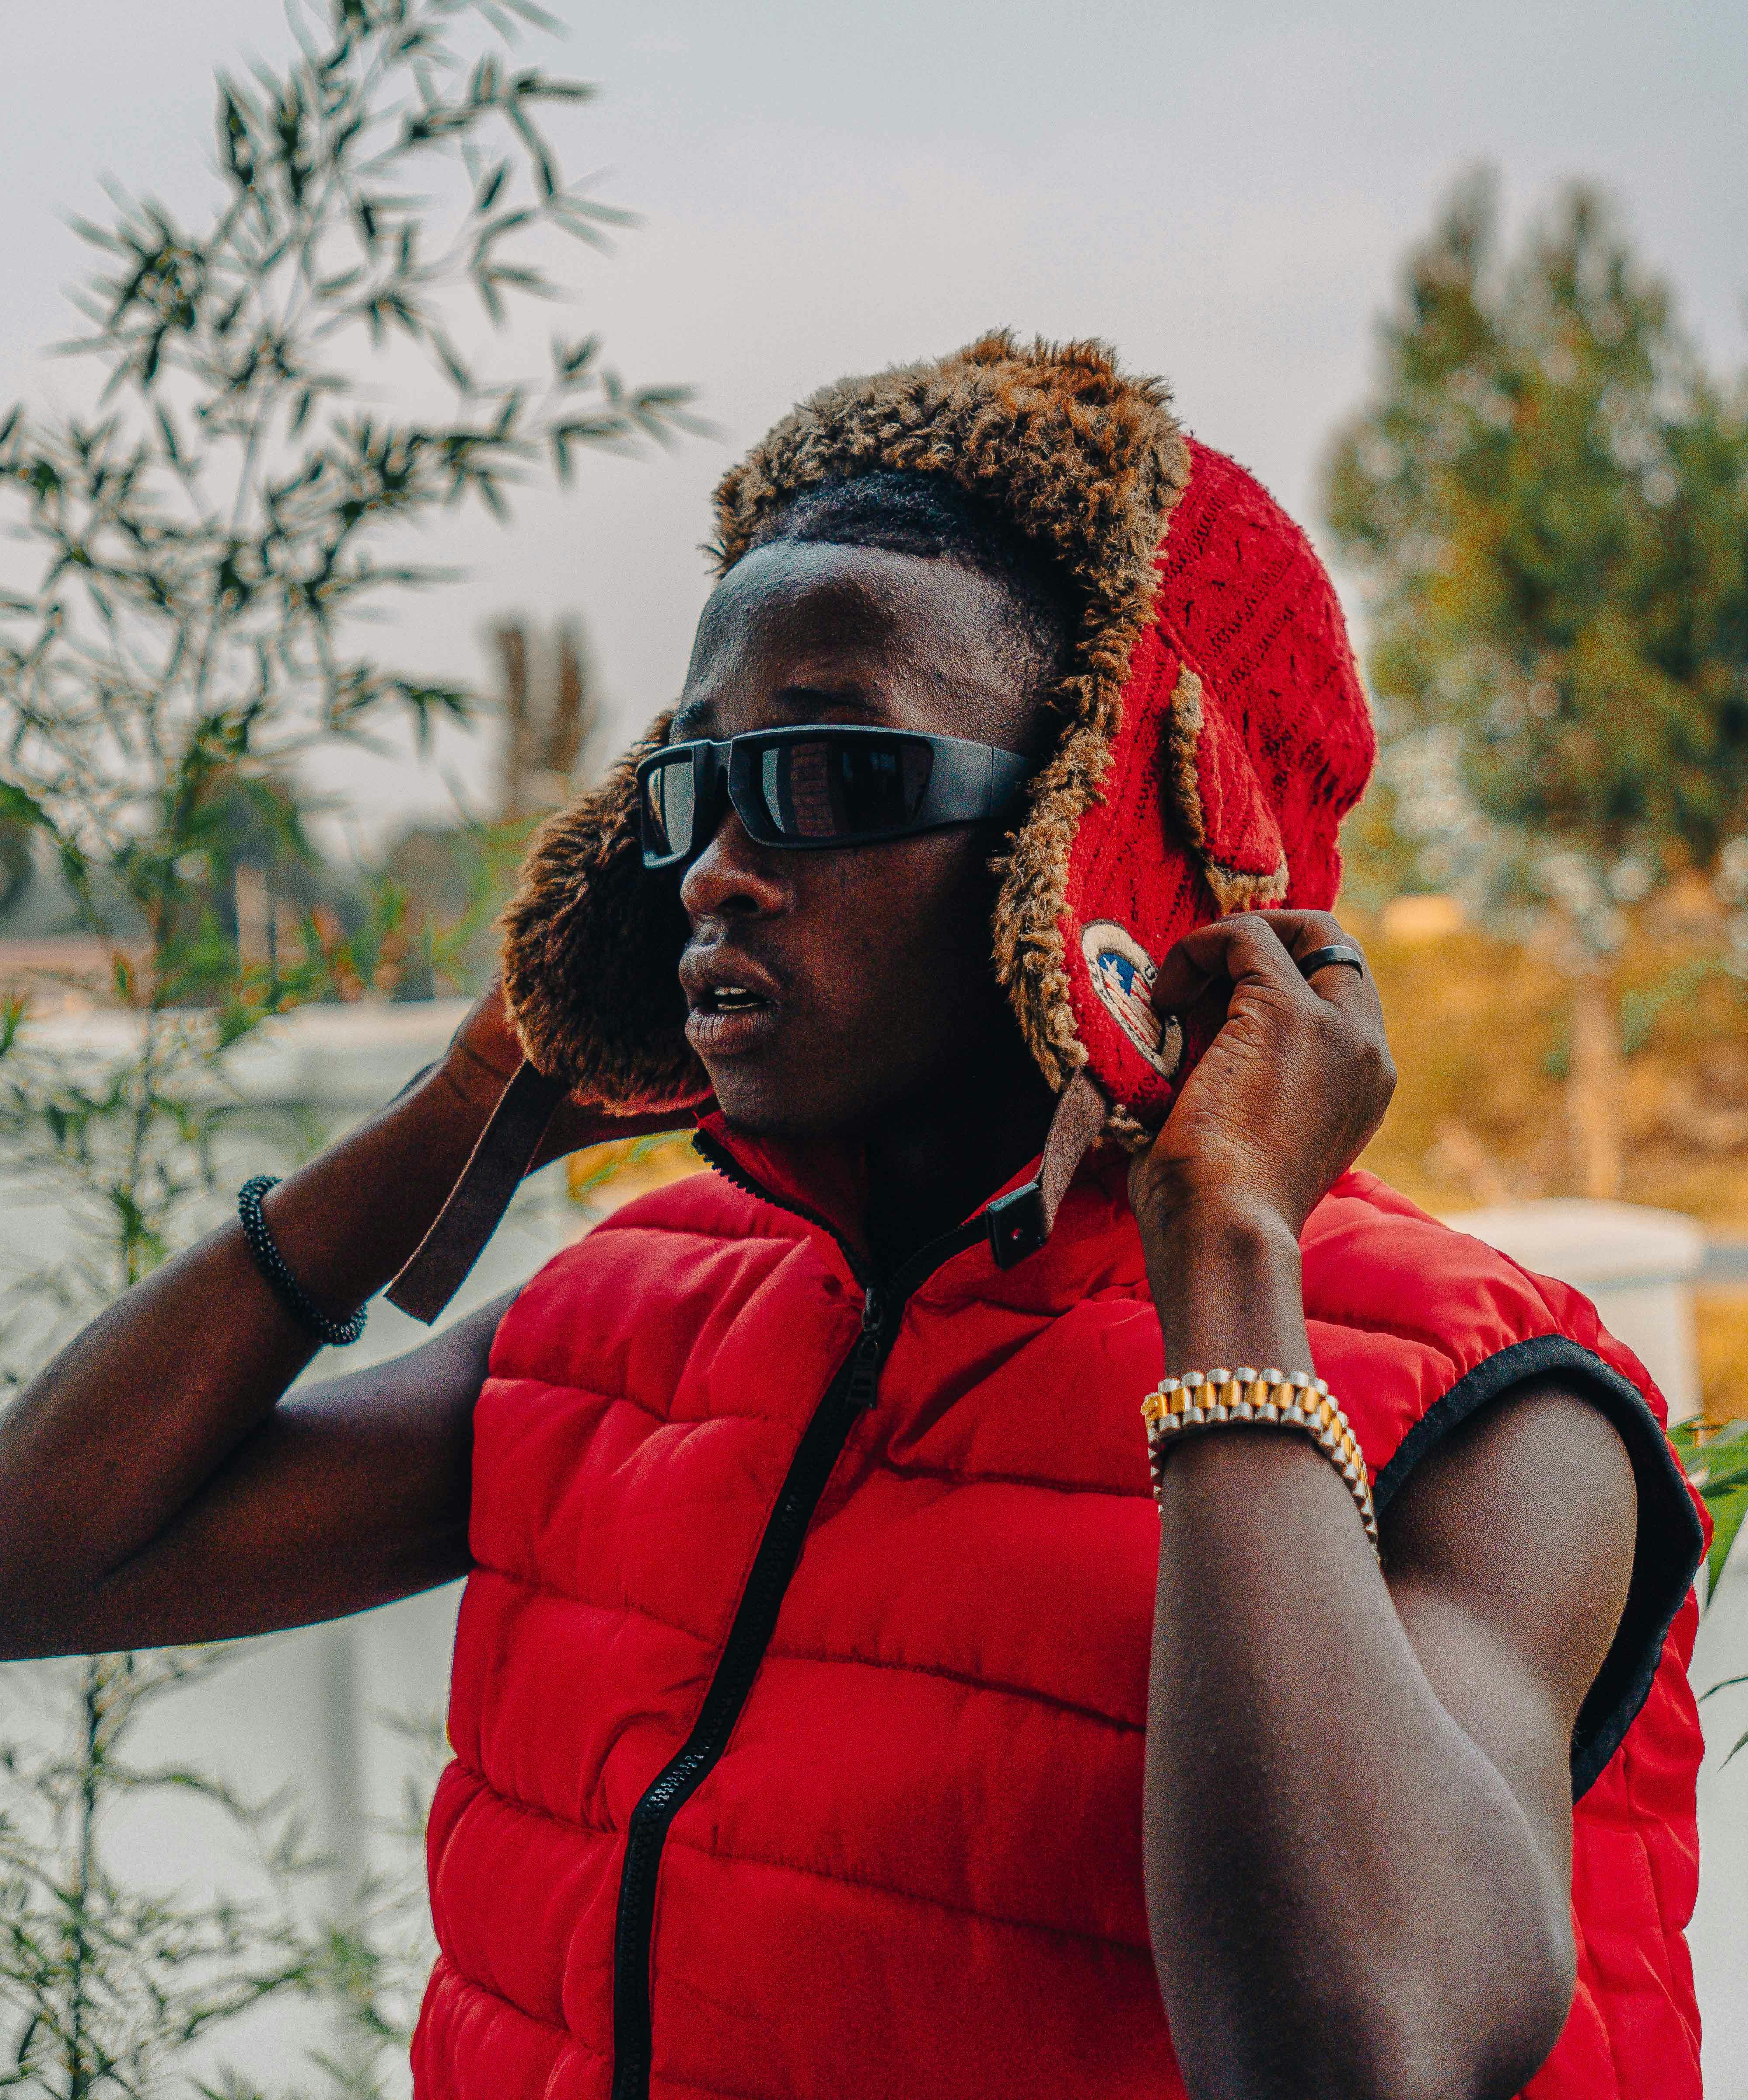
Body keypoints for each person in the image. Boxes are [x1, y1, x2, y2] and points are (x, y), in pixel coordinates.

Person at [0, 334, 1705, 2100]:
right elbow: (40, 1559)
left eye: (834, 776)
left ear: (1091, 840)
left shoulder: (1490, 1409)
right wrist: (467, 1105)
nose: (722, 864)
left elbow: (1366, 2052)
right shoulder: (630, 1322)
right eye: (698, 784)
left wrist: (1225, 1248)